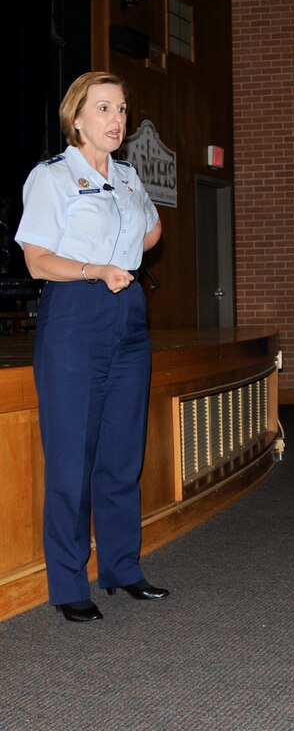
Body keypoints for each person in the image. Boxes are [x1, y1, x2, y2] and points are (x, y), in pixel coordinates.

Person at [15, 72, 168, 623]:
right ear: (76, 118)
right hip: (76, 314)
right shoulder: (52, 178)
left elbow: (152, 233)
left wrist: (130, 241)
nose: (116, 120)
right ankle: (67, 582)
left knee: (122, 455)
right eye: (104, 109)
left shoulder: (126, 176)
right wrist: (95, 267)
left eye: (122, 109)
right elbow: (36, 261)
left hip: (128, 315)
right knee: (72, 458)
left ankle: (123, 568)